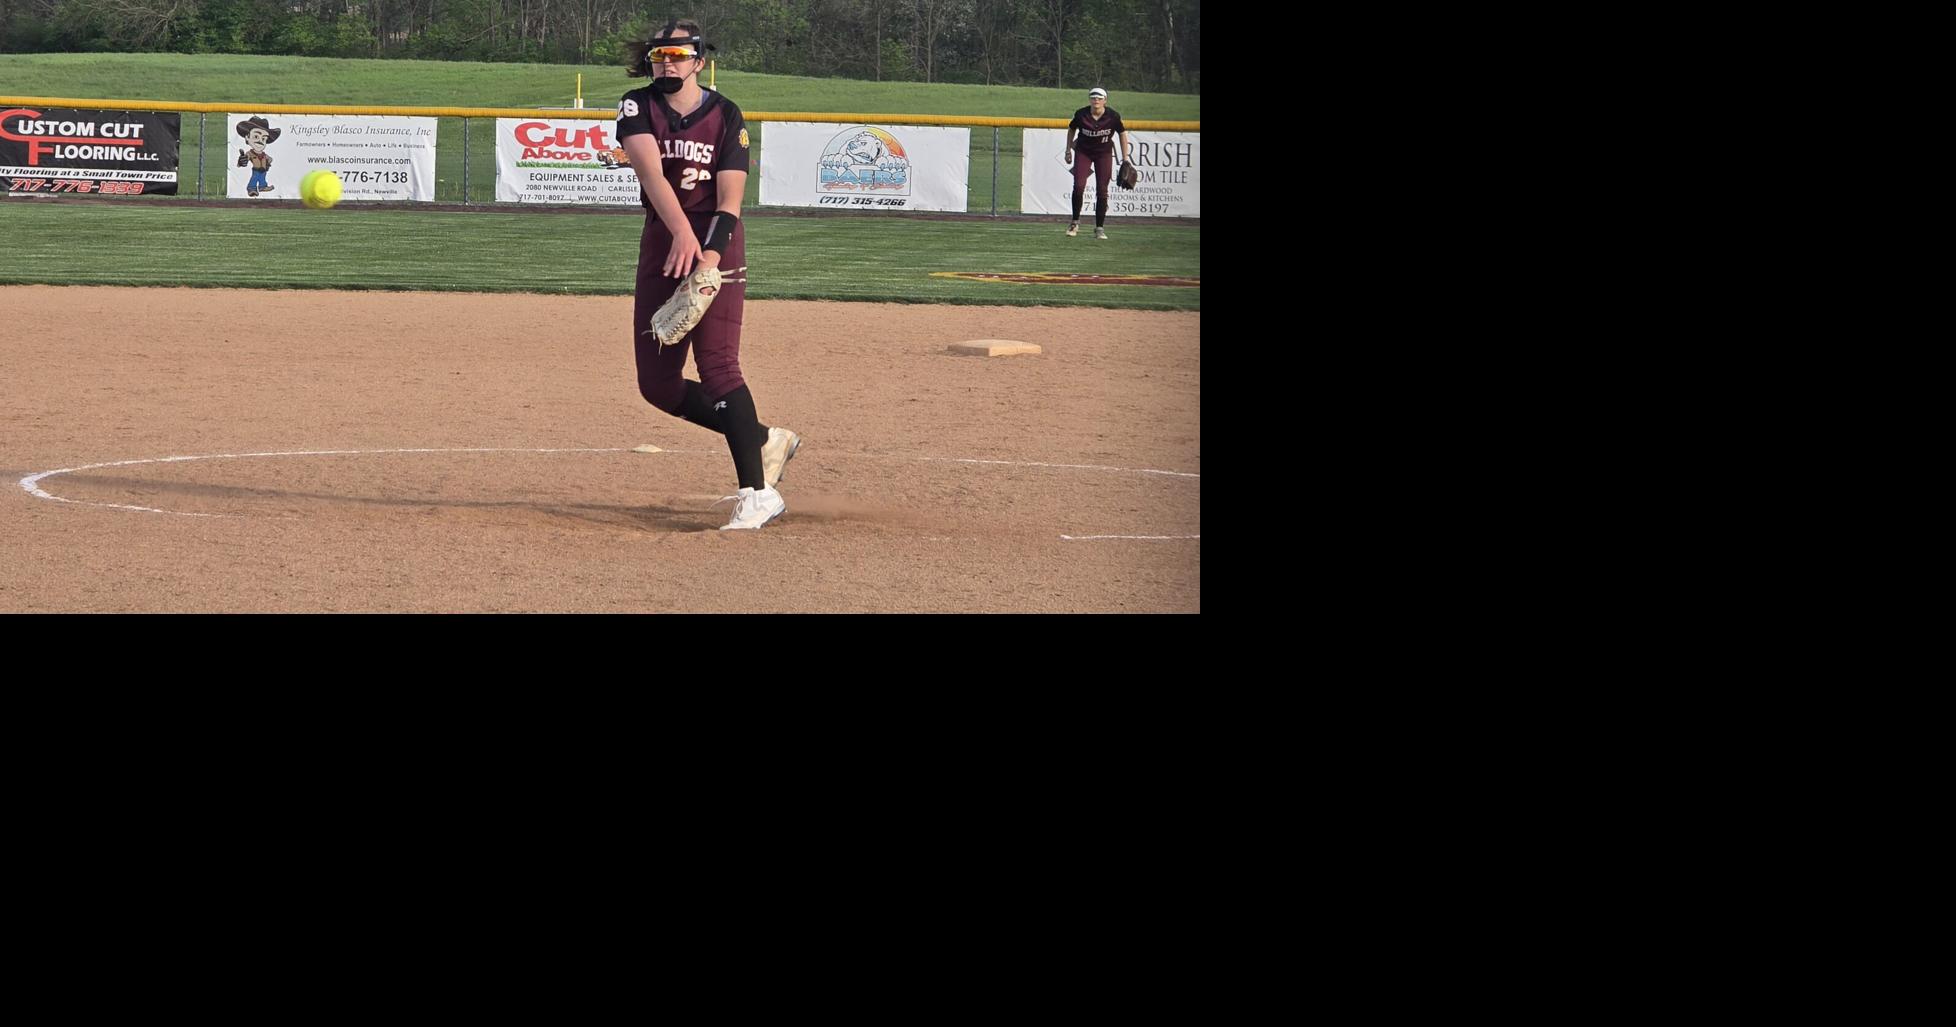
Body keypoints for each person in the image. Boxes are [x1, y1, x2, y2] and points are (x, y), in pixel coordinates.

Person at [615, 18, 800, 530]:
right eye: (659, 56)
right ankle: (762, 438)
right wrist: (680, 235)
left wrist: (710, 260)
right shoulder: (637, 106)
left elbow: (731, 200)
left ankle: (758, 493)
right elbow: (651, 175)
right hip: (665, 243)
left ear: (699, 60)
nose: (667, 64)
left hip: (717, 244)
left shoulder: (725, 115)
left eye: (677, 55)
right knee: (657, 384)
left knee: (718, 367)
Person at [1064, 87, 1131, 240]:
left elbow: (1122, 133)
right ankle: (1074, 223)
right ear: (1089, 100)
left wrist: (1125, 157)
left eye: (1099, 98)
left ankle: (1099, 228)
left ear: (1105, 101)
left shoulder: (1112, 116)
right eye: (1093, 97)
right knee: (1079, 185)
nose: (1096, 101)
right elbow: (1071, 129)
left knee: (1102, 189)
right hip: (1083, 152)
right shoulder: (1081, 114)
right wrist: (1068, 150)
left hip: (1103, 154)